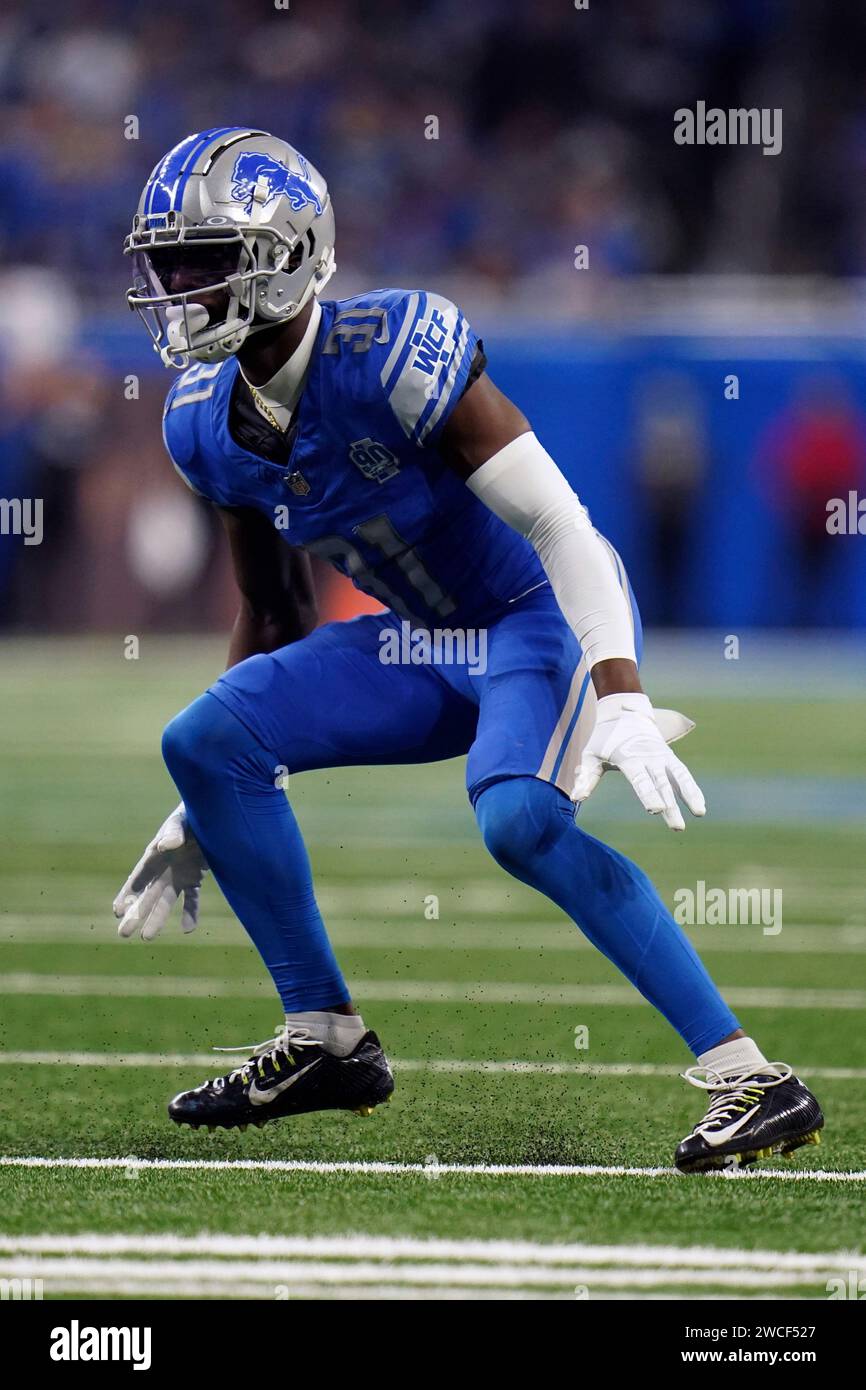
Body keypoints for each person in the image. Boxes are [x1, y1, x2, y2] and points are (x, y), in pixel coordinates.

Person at [116, 127, 823, 1172]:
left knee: (520, 819)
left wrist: (617, 688)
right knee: (204, 739)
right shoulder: (202, 423)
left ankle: (752, 1077)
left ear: (290, 253)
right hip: (421, 641)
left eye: (205, 259)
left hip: (530, 613)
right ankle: (324, 1042)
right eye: (168, 262)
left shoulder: (396, 354)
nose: (179, 286)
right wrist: (202, 800)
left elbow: (561, 528)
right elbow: (271, 611)